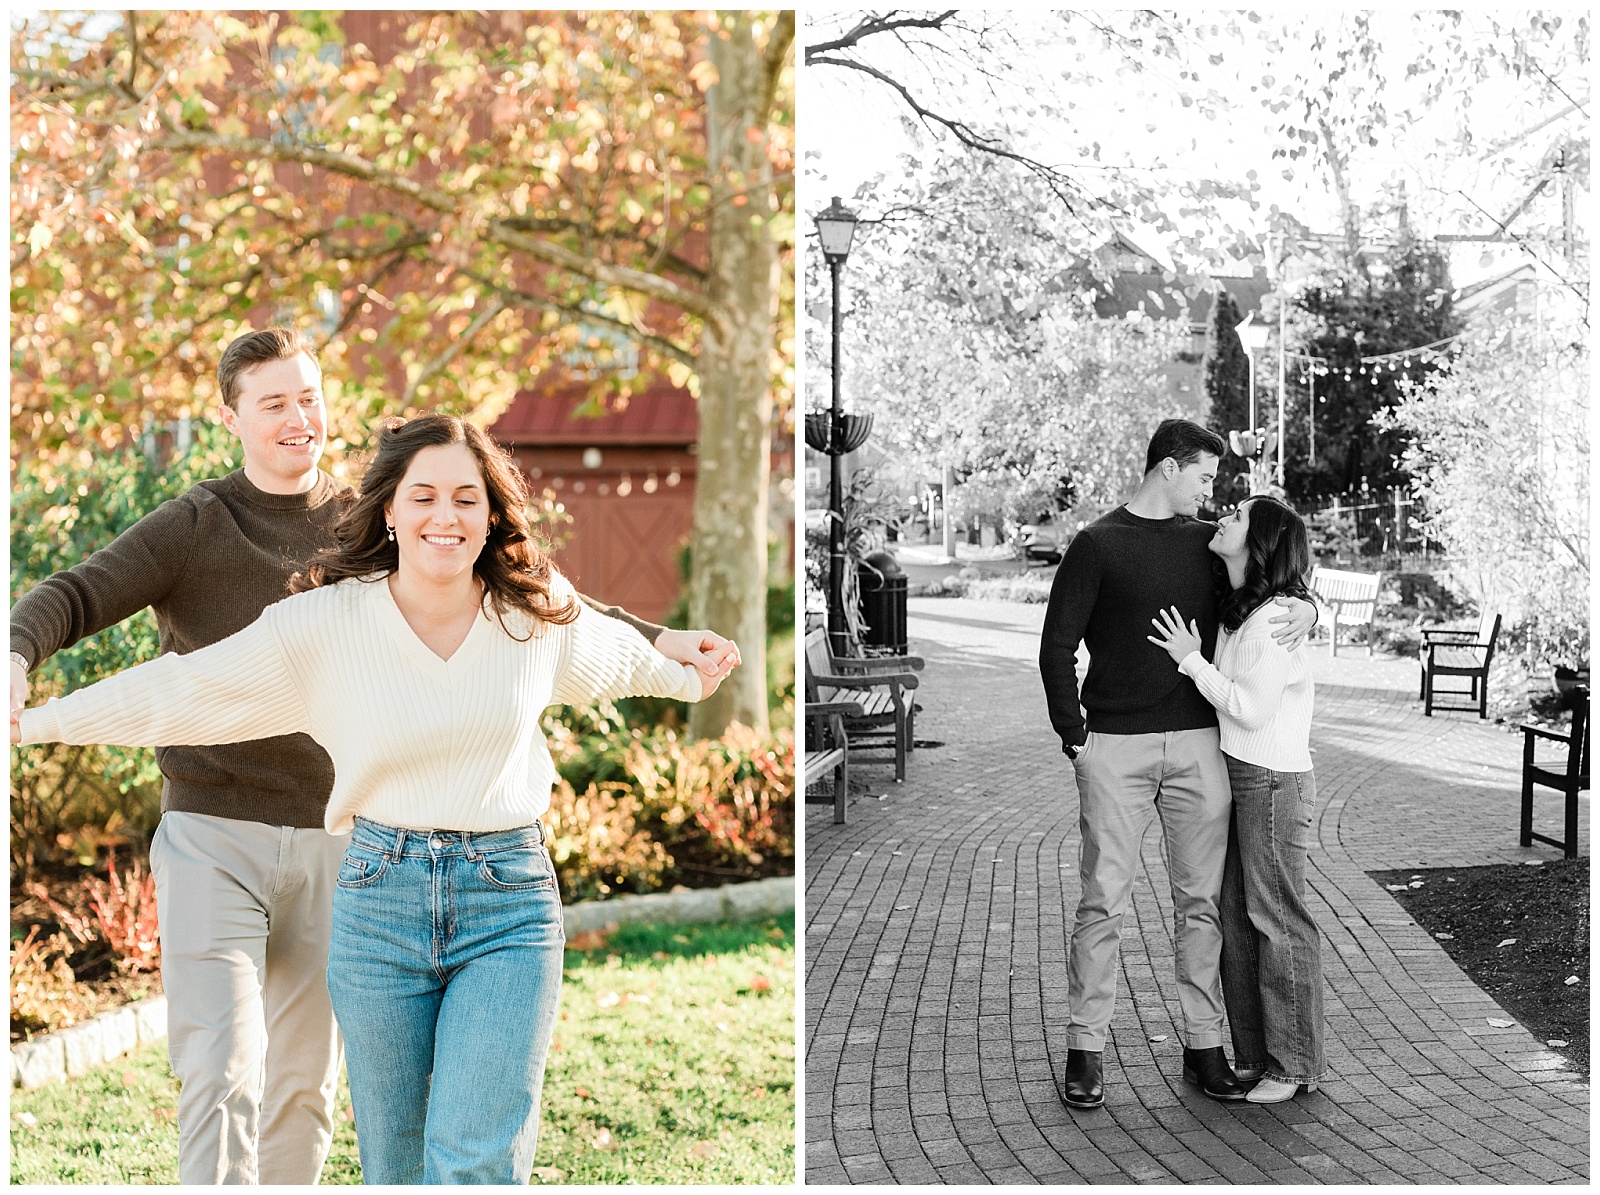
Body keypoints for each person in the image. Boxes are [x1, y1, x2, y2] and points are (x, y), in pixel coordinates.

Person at [7, 328, 737, 1185]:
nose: (297, 417)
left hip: (388, 856)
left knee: (339, 1103)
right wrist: (28, 689)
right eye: (273, 401)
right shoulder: (229, 547)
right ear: (231, 417)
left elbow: (565, 617)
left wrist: (669, 650)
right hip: (255, 838)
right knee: (245, 1079)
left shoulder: (448, 558)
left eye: (308, 395)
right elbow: (140, 650)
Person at [1038, 418, 1316, 1109]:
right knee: (1103, 900)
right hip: (1114, 747)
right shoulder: (1097, 544)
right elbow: (1056, 646)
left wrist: (1309, 608)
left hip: (1201, 747)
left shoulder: (1208, 544)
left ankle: (1203, 1046)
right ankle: (1085, 1048)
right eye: (1205, 475)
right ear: (1168, 468)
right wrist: (1077, 738)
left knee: (1203, 906)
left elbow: (1272, 584)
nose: (1214, 494)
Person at [1147, 494, 1325, 1104]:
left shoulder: (1277, 618)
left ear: (1262, 543)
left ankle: (1294, 1063)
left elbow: (1250, 709)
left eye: (1240, 515)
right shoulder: (1244, 609)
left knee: (1278, 919)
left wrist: (1190, 661)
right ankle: (1255, 1054)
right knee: (1236, 917)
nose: (1223, 514)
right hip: (1238, 775)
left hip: (1271, 778)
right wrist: (1313, 607)